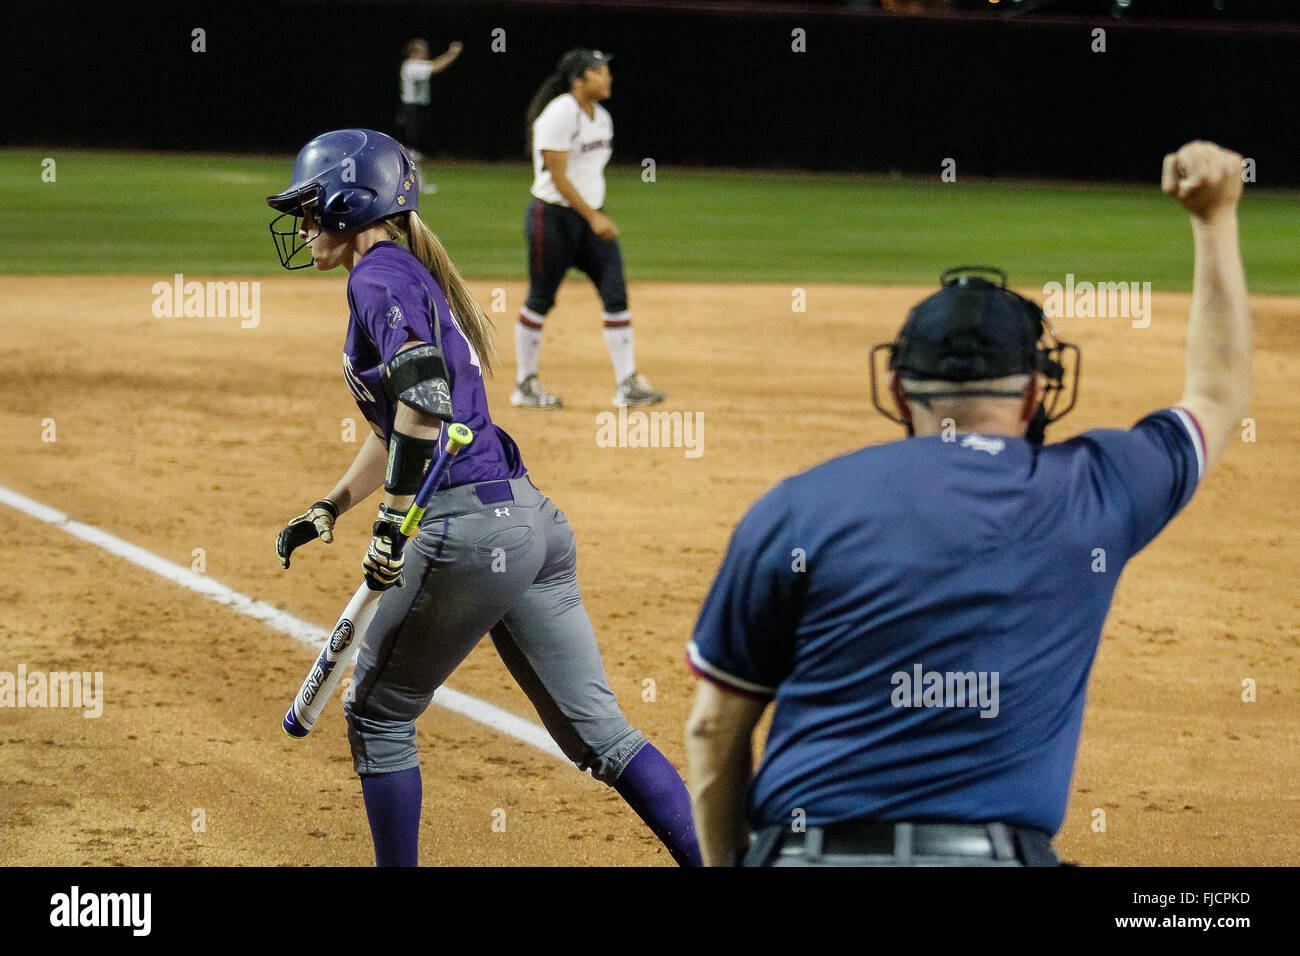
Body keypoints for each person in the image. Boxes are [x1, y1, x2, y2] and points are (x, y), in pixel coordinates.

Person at [683, 140, 1251, 867]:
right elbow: (1216, 394)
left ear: (895, 392)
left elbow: (711, 731)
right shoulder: (1097, 487)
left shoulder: (797, 507)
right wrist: (1215, 218)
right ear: (1037, 392)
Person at [266, 128, 700, 867]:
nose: (304, 226)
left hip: (463, 534)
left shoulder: (376, 278)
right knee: (605, 737)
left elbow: (425, 400)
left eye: (312, 208)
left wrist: (395, 522)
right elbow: (399, 419)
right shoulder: (406, 273)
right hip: (529, 525)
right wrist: (334, 506)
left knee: (377, 716)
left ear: (352, 200)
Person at [513, 48, 666, 410]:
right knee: (540, 299)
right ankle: (525, 384)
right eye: (599, 71)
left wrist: (594, 214)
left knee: (616, 295)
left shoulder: (602, 118)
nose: (608, 77)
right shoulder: (560, 113)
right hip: (552, 218)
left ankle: (627, 384)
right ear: (578, 80)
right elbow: (556, 175)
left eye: (607, 70)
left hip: (589, 218)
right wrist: (593, 216)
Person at [395, 38, 463, 194]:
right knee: (412, 149)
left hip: (417, 110)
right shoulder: (411, 66)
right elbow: (436, 67)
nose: (427, 51)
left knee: (416, 149)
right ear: (414, 52)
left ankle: (417, 182)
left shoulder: (415, 65)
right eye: (423, 49)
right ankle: (414, 183)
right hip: (412, 110)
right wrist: (453, 52)